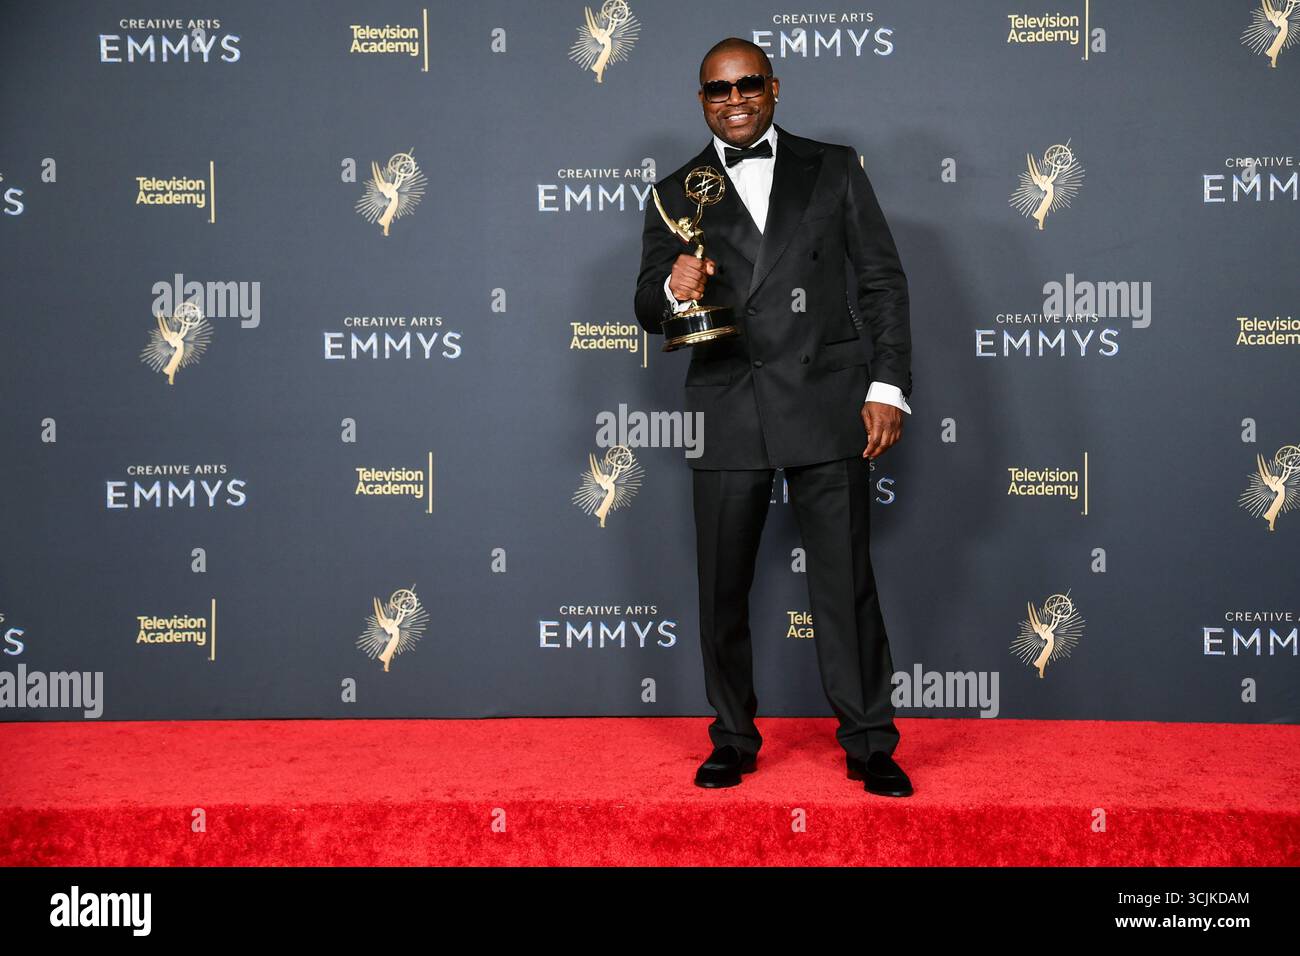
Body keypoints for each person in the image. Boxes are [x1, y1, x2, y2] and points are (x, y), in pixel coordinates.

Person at [633, 37, 914, 796]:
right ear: (701, 100)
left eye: (747, 85)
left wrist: (886, 386)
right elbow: (643, 304)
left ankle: (867, 740)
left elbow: (882, 279)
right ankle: (732, 735)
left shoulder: (834, 166)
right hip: (728, 404)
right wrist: (673, 286)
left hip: (827, 400)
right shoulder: (673, 191)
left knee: (844, 581)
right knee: (722, 586)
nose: (734, 100)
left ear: (774, 89)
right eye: (717, 90)